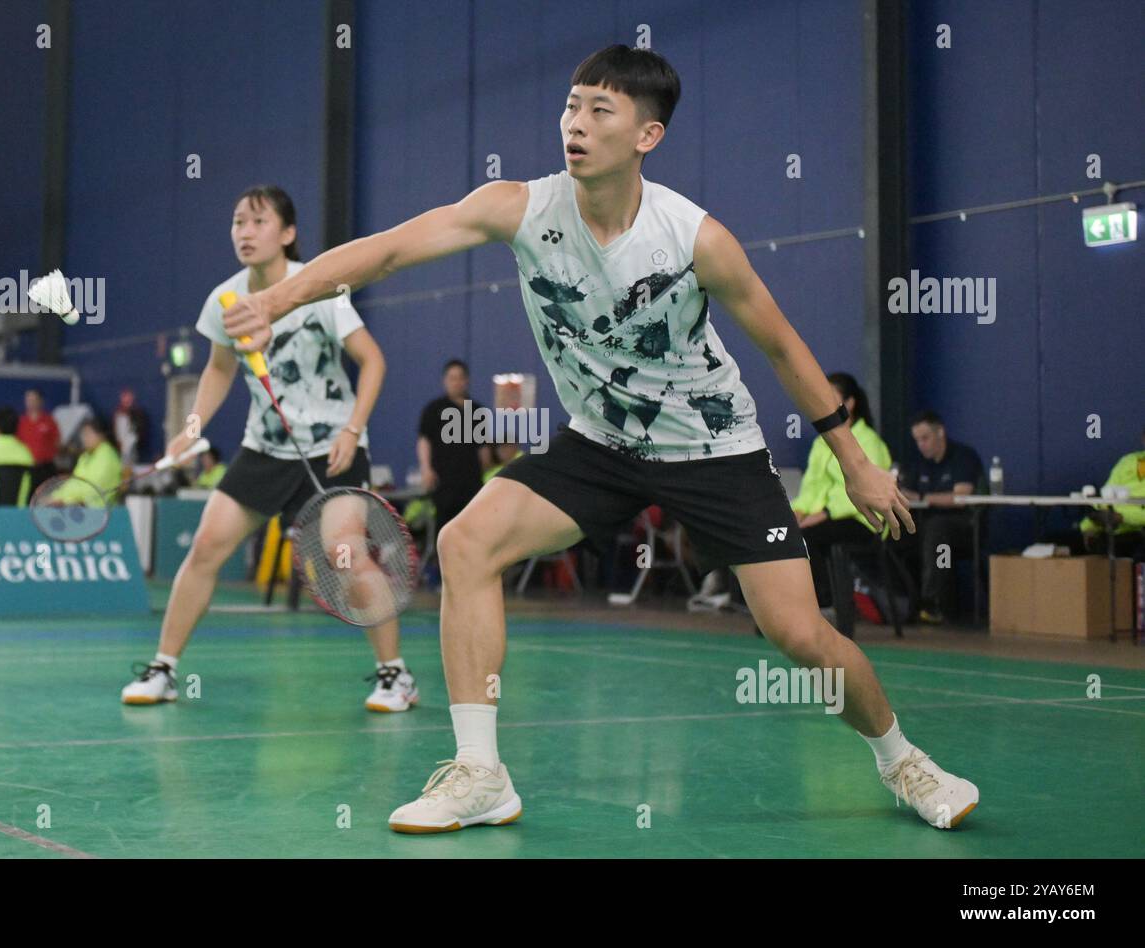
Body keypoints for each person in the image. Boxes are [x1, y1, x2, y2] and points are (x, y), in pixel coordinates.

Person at [220, 46, 977, 833]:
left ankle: (903, 760)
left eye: (599, 111)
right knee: (468, 540)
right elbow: (389, 248)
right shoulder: (518, 207)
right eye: (572, 106)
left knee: (798, 634)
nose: (575, 124)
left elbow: (784, 347)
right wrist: (284, 296)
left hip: (713, 448)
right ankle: (481, 773)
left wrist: (853, 461)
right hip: (602, 444)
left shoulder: (695, 239)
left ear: (647, 135)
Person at [122, 184, 417, 714]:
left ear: (287, 234)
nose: (245, 232)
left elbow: (373, 362)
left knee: (343, 551)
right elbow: (217, 369)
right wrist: (191, 426)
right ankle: (163, 668)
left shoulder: (320, 291)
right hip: (265, 448)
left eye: (258, 222)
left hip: (333, 448)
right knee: (207, 546)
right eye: (238, 222)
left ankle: (395, 675)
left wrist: (353, 429)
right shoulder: (226, 299)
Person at [791, 373, 892, 611]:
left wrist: (825, 512)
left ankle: (825, 605)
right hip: (824, 517)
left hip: (863, 520)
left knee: (808, 537)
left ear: (850, 403)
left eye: (831, 397)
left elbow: (867, 491)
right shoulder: (821, 442)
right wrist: (799, 512)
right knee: (782, 534)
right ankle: (787, 609)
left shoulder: (870, 442)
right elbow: (812, 486)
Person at [897, 409, 983, 622]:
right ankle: (899, 603)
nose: (921, 444)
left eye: (925, 438)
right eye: (917, 440)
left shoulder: (963, 456)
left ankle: (934, 604)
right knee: (894, 536)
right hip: (927, 527)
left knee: (937, 537)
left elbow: (961, 496)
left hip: (964, 528)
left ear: (940, 433)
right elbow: (907, 493)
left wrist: (923, 496)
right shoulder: (919, 463)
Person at [417, 359, 492, 533]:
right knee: (445, 527)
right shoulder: (434, 409)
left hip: (471, 481)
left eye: (460, 378)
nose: (456, 382)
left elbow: (483, 448)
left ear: (467, 380)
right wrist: (426, 468)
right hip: (444, 480)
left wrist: (486, 470)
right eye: (452, 378)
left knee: (472, 526)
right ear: (445, 381)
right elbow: (424, 440)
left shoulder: (476, 411)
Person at [1079, 425, 1145, 559]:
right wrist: (1088, 527)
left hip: (1137, 531)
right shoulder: (1128, 461)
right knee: (1063, 543)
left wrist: (1122, 517)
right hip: (1112, 528)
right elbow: (1106, 497)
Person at [18, 389, 61, 487]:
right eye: (28, 400)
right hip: (27, 468)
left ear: (41, 401)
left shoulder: (50, 421)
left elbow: (57, 442)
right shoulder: (21, 422)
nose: (31, 403)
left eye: (34, 400)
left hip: (46, 468)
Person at [112, 388, 150, 466]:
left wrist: (135, 439)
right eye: (125, 400)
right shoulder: (118, 414)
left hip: (133, 444)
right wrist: (120, 443)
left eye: (129, 400)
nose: (127, 402)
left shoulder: (137, 414)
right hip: (123, 448)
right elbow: (118, 432)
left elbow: (140, 430)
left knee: (131, 461)